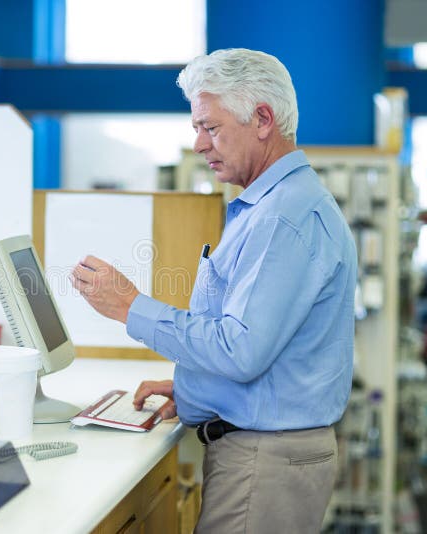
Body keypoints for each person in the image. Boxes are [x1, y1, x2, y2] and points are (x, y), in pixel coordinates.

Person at [70, 48, 357, 533]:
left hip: (265, 465)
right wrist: (195, 390)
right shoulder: (271, 207)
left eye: (211, 127)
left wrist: (131, 307)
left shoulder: (282, 218)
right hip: (263, 457)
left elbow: (240, 349)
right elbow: (261, 348)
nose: (201, 144)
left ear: (263, 119)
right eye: (196, 129)